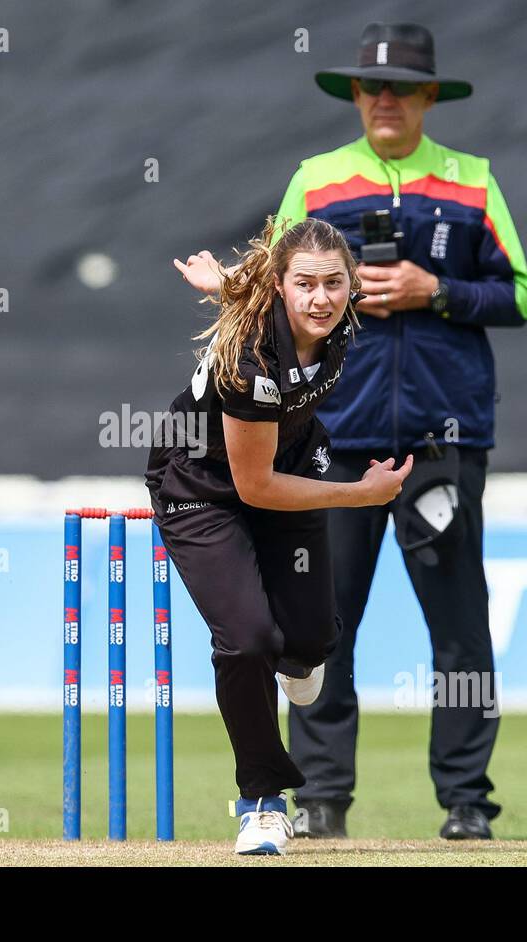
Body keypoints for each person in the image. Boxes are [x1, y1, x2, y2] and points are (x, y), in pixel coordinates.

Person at [174, 22, 527, 840]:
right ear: (356, 97)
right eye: (370, 87)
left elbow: (521, 295)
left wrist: (433, 288)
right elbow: (273, 280)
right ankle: (323, 800)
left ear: (429, 97)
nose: (383, 100)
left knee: (459, 626)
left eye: (401, 87)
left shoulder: (472, 181)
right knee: (321, 623)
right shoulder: (318, 178)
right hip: (331, 437)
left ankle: (467, 803)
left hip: (443, 440)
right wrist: (226, 285)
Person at [146, 217, 412, 856]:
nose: (321, 299)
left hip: (287, 463)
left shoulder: (338, 317)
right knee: (248, 642)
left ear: (350, 283)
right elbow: (255, 489)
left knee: (312, 641)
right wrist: (359, 495)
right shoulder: (252, 364)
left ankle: (297, 654)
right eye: (306, 285)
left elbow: (263, 287)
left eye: (334, 283)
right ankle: (262, 802)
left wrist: (224, 283)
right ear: (281, 285)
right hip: (202, 487)